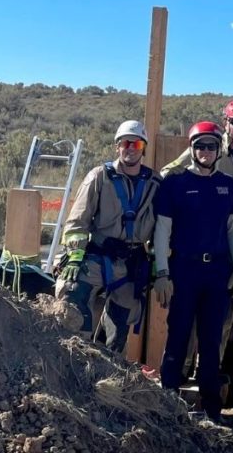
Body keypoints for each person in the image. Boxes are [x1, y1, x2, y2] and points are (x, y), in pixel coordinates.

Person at [161, 98, 233, 400]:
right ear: (226, 123)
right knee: (185, 315)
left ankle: (209, 369)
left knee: (221, 314)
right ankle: (181, 368)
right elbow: (172, 170)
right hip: (201, 236)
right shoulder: (208, 145)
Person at [150, 121, 233, 421]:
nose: (205, 151)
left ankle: (212, 410)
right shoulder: (175, 183)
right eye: (200, 146)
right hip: (184, 270)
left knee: (212, 340)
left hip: (217, 272)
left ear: (219, 150)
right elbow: (162, 230)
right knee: (177, 335)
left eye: (211, 146)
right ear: (191, 149)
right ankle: (168, 404)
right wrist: (162, 273)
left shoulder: (227, 184)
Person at [55, 120, 160, 353]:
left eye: (136, 144)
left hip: (132, 262)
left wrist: (156, 263)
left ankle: (106, 366)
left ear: (144, 148)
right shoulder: (99, 177)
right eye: (125, 143)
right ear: (117, 146)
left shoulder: (155, 183)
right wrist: (74, 256)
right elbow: (77, 220)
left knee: (119, 328)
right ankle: (75, 356)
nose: (130, 148)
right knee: (72, 297)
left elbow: (161, 228)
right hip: (98, 256)